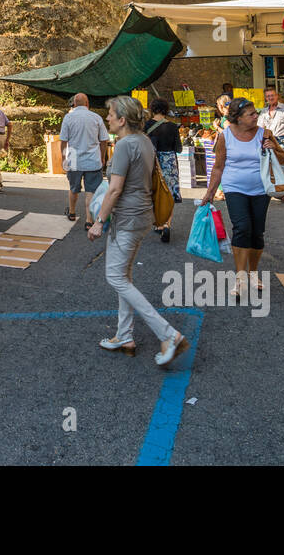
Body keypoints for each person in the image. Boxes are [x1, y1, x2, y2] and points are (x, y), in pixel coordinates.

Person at [89, 97, 189, 367]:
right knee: (124, 275)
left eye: (110, 114)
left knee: (115, 277)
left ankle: (168, 334)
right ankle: (124, 336)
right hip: (143, 215)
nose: (107, 118)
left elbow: (115, 189)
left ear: (122, 120)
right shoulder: (144, 140)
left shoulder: (124, 145)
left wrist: (99, 220)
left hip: (128, 218)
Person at [201, 98, 284, 296]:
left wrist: (272, 148)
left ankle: (253, 272)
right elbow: (218, 167)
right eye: (251, 114)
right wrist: (210, 193)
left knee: (257, 231)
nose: (256, 116)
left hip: (260, 188)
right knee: (242, 228)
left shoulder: (264, 134)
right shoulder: (225, 137)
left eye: (256, 113)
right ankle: (239, 278)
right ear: (238, 118)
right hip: (234, 188)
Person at [59, 93, 109, 225]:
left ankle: (72, 213)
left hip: (74, 159)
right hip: (93, 159)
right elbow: (104, 140)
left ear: (74, 104)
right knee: (91, 191)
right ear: (87, 104)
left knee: (73, 188)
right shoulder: (96, 118)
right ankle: (89, 220)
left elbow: (63, 141)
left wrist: (64, 158)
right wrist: (102, 157)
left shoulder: (68, 118)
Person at [144, 99, 183, 242]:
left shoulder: (146, 125)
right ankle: (167, 223)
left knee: (155, 191)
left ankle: (158, 223)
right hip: (169, 162)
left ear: (152, 109)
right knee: (169, 192)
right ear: (166, 110)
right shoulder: (173, 126)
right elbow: (178, 149)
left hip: (152, 162)